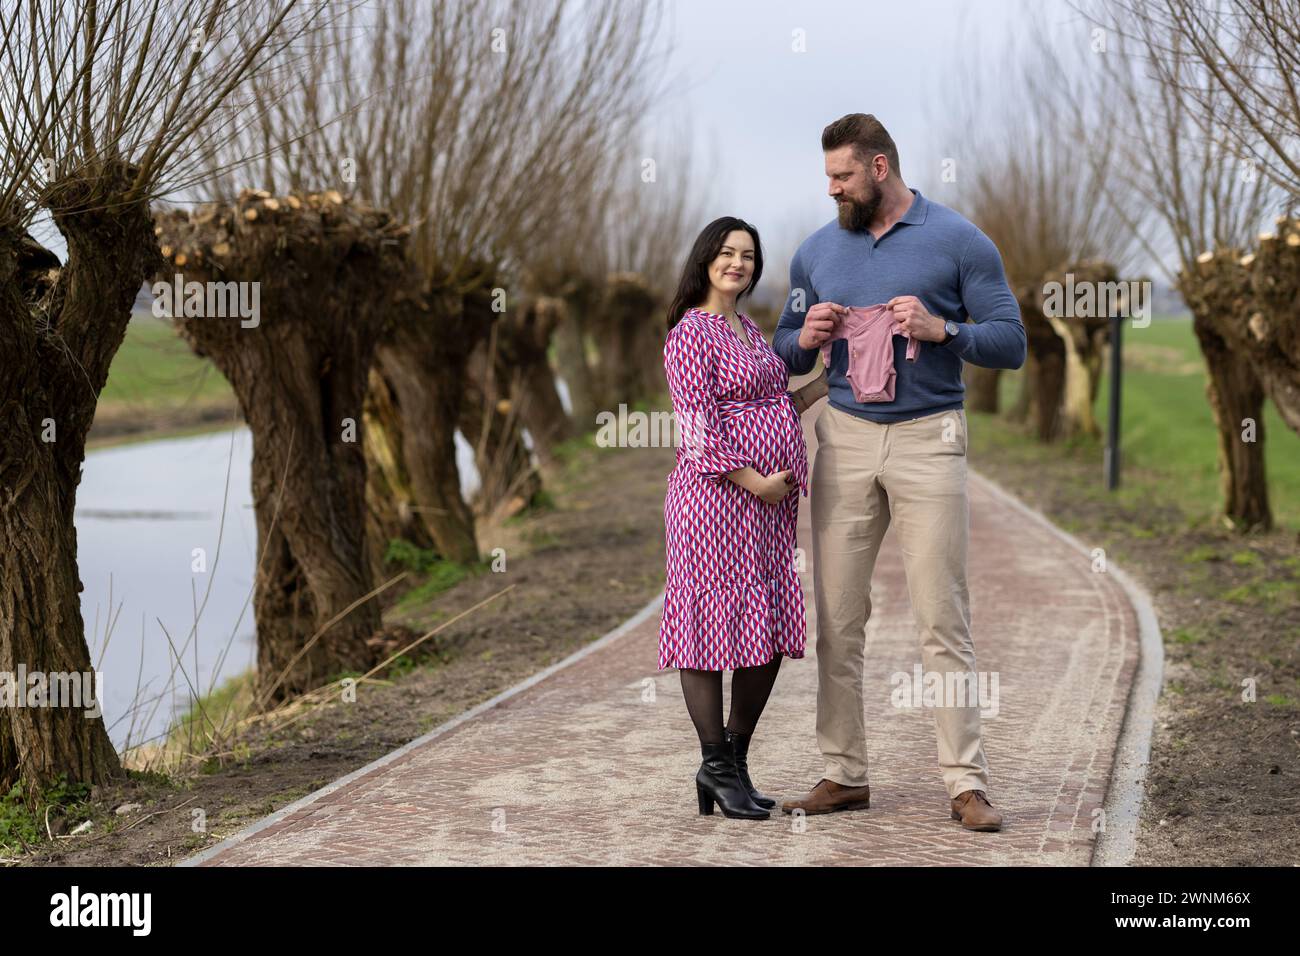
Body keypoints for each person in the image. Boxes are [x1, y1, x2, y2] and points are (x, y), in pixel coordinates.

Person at [771, 113, 1027, 832]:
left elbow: (1011, 343)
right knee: (838, 618)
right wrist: (805, 336)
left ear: (879, 168)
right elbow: (783, 350)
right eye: (827, 177)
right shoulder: (815, 252)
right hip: (845, 438)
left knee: (943, 616)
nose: (831, 189)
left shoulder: (959, 241)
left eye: (842, 176)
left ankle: (966, 784)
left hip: (929, 438)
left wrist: (944, 330)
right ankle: (843, 774)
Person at [659, 216, 809, 820]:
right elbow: (698, 430)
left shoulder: (746, 327)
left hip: (767, 509)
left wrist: (824, 386)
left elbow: (771, 402)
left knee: (762, 626)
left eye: (748, 255)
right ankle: (714, 763)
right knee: (708, 626)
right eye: (726, 253)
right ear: (706, 259)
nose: (738, 264)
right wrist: (756, 482)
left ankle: (735, 764)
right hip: (717, 503)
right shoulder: (691, 333)